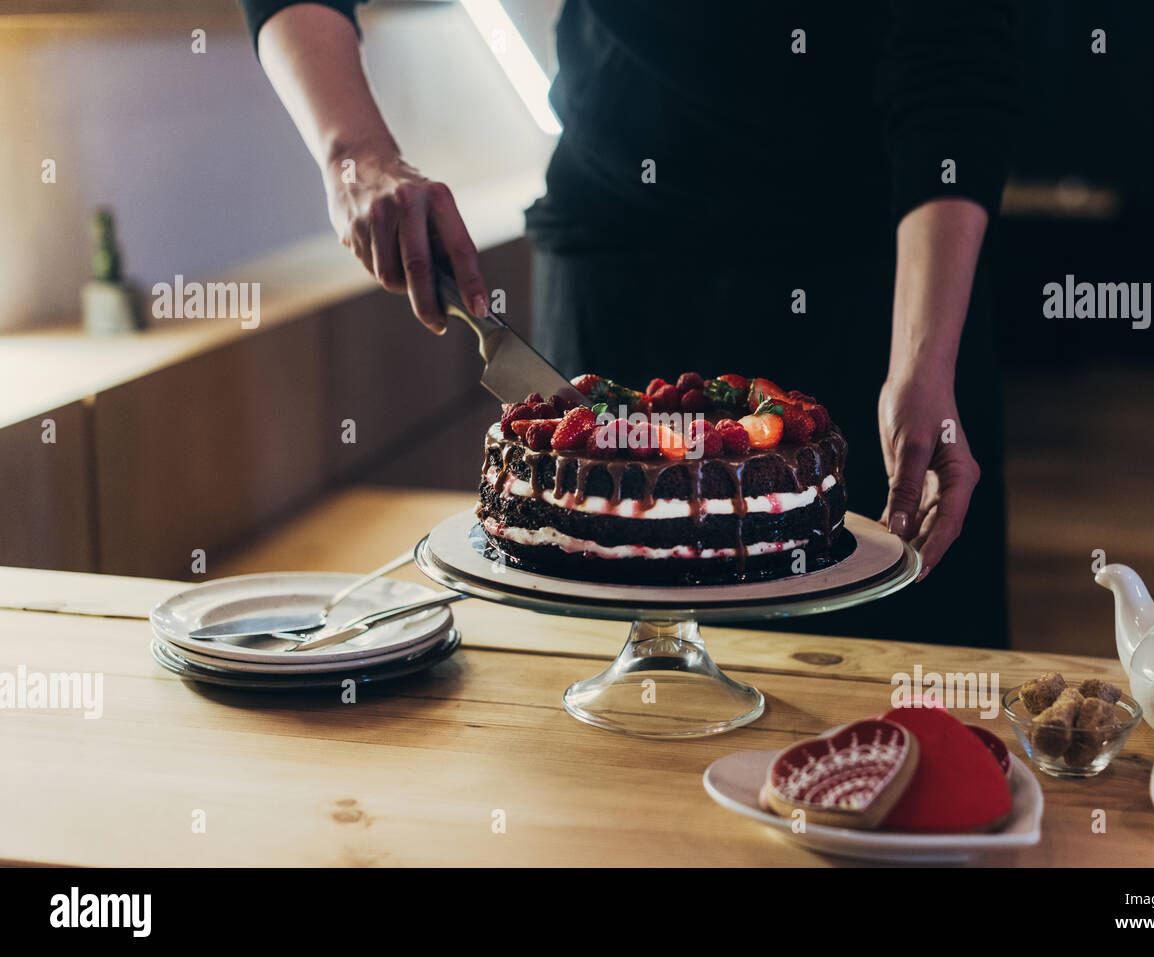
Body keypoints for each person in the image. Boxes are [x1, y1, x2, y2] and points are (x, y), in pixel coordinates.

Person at [238, 0, 1017, 646]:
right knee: (603, 701)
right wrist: (353, 151)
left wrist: (923, 357)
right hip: (622, 262)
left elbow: (954, 57)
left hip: (889, 287)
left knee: (906, 695)